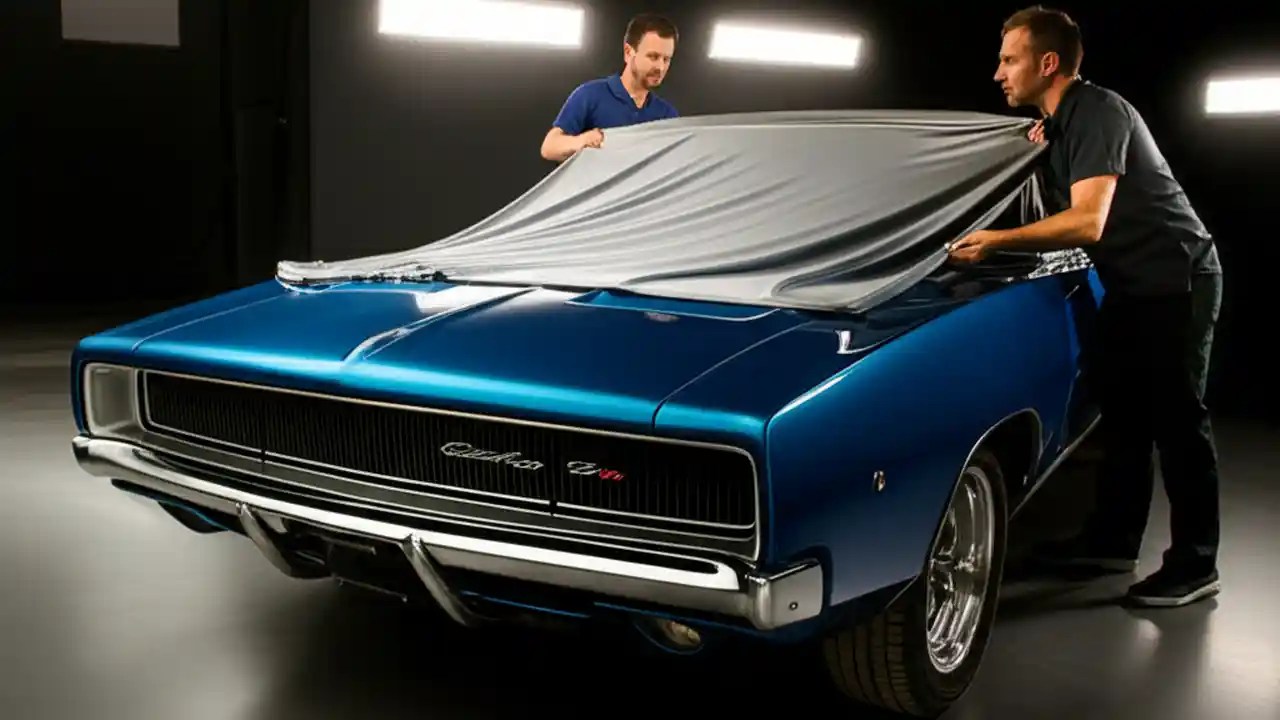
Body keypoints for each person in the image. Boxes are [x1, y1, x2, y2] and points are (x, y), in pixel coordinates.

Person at [948, 6, 1223, 607]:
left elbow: (1088, 221)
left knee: (1178, 423)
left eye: (1009, 59)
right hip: (1130, 284)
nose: (998, 72)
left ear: (1048, 64)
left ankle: (1196, 566)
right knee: (1122, 417)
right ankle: (1111, 542)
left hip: (1178, 276)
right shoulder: (1059, 125)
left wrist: (993, 242)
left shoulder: (1099, 111)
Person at [539, 14, 679, 162]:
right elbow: (549, 147)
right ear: (628, 52)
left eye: (666, 59)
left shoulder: (667, 115)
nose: (660, 67)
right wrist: (582, 141)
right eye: (653, 57)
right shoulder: (590, 95)